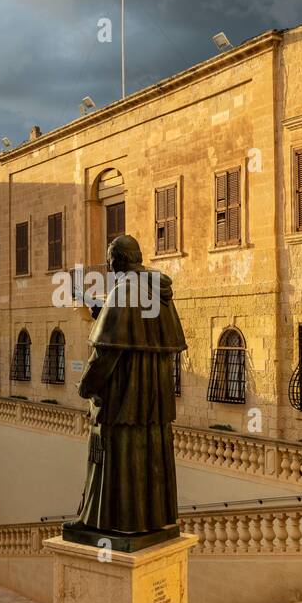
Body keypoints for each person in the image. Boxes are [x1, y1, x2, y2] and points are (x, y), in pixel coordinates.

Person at [67, 235, 186, 549]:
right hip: (154, 399)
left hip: (123, 398)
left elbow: (107, 352)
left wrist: (86, 386)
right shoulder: (158, 293)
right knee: (149, 454)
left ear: (117, 261)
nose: (108, 266)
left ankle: (104, 521)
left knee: (114, 455)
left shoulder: (124, 292)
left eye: (110, 260)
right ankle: (151, 519)